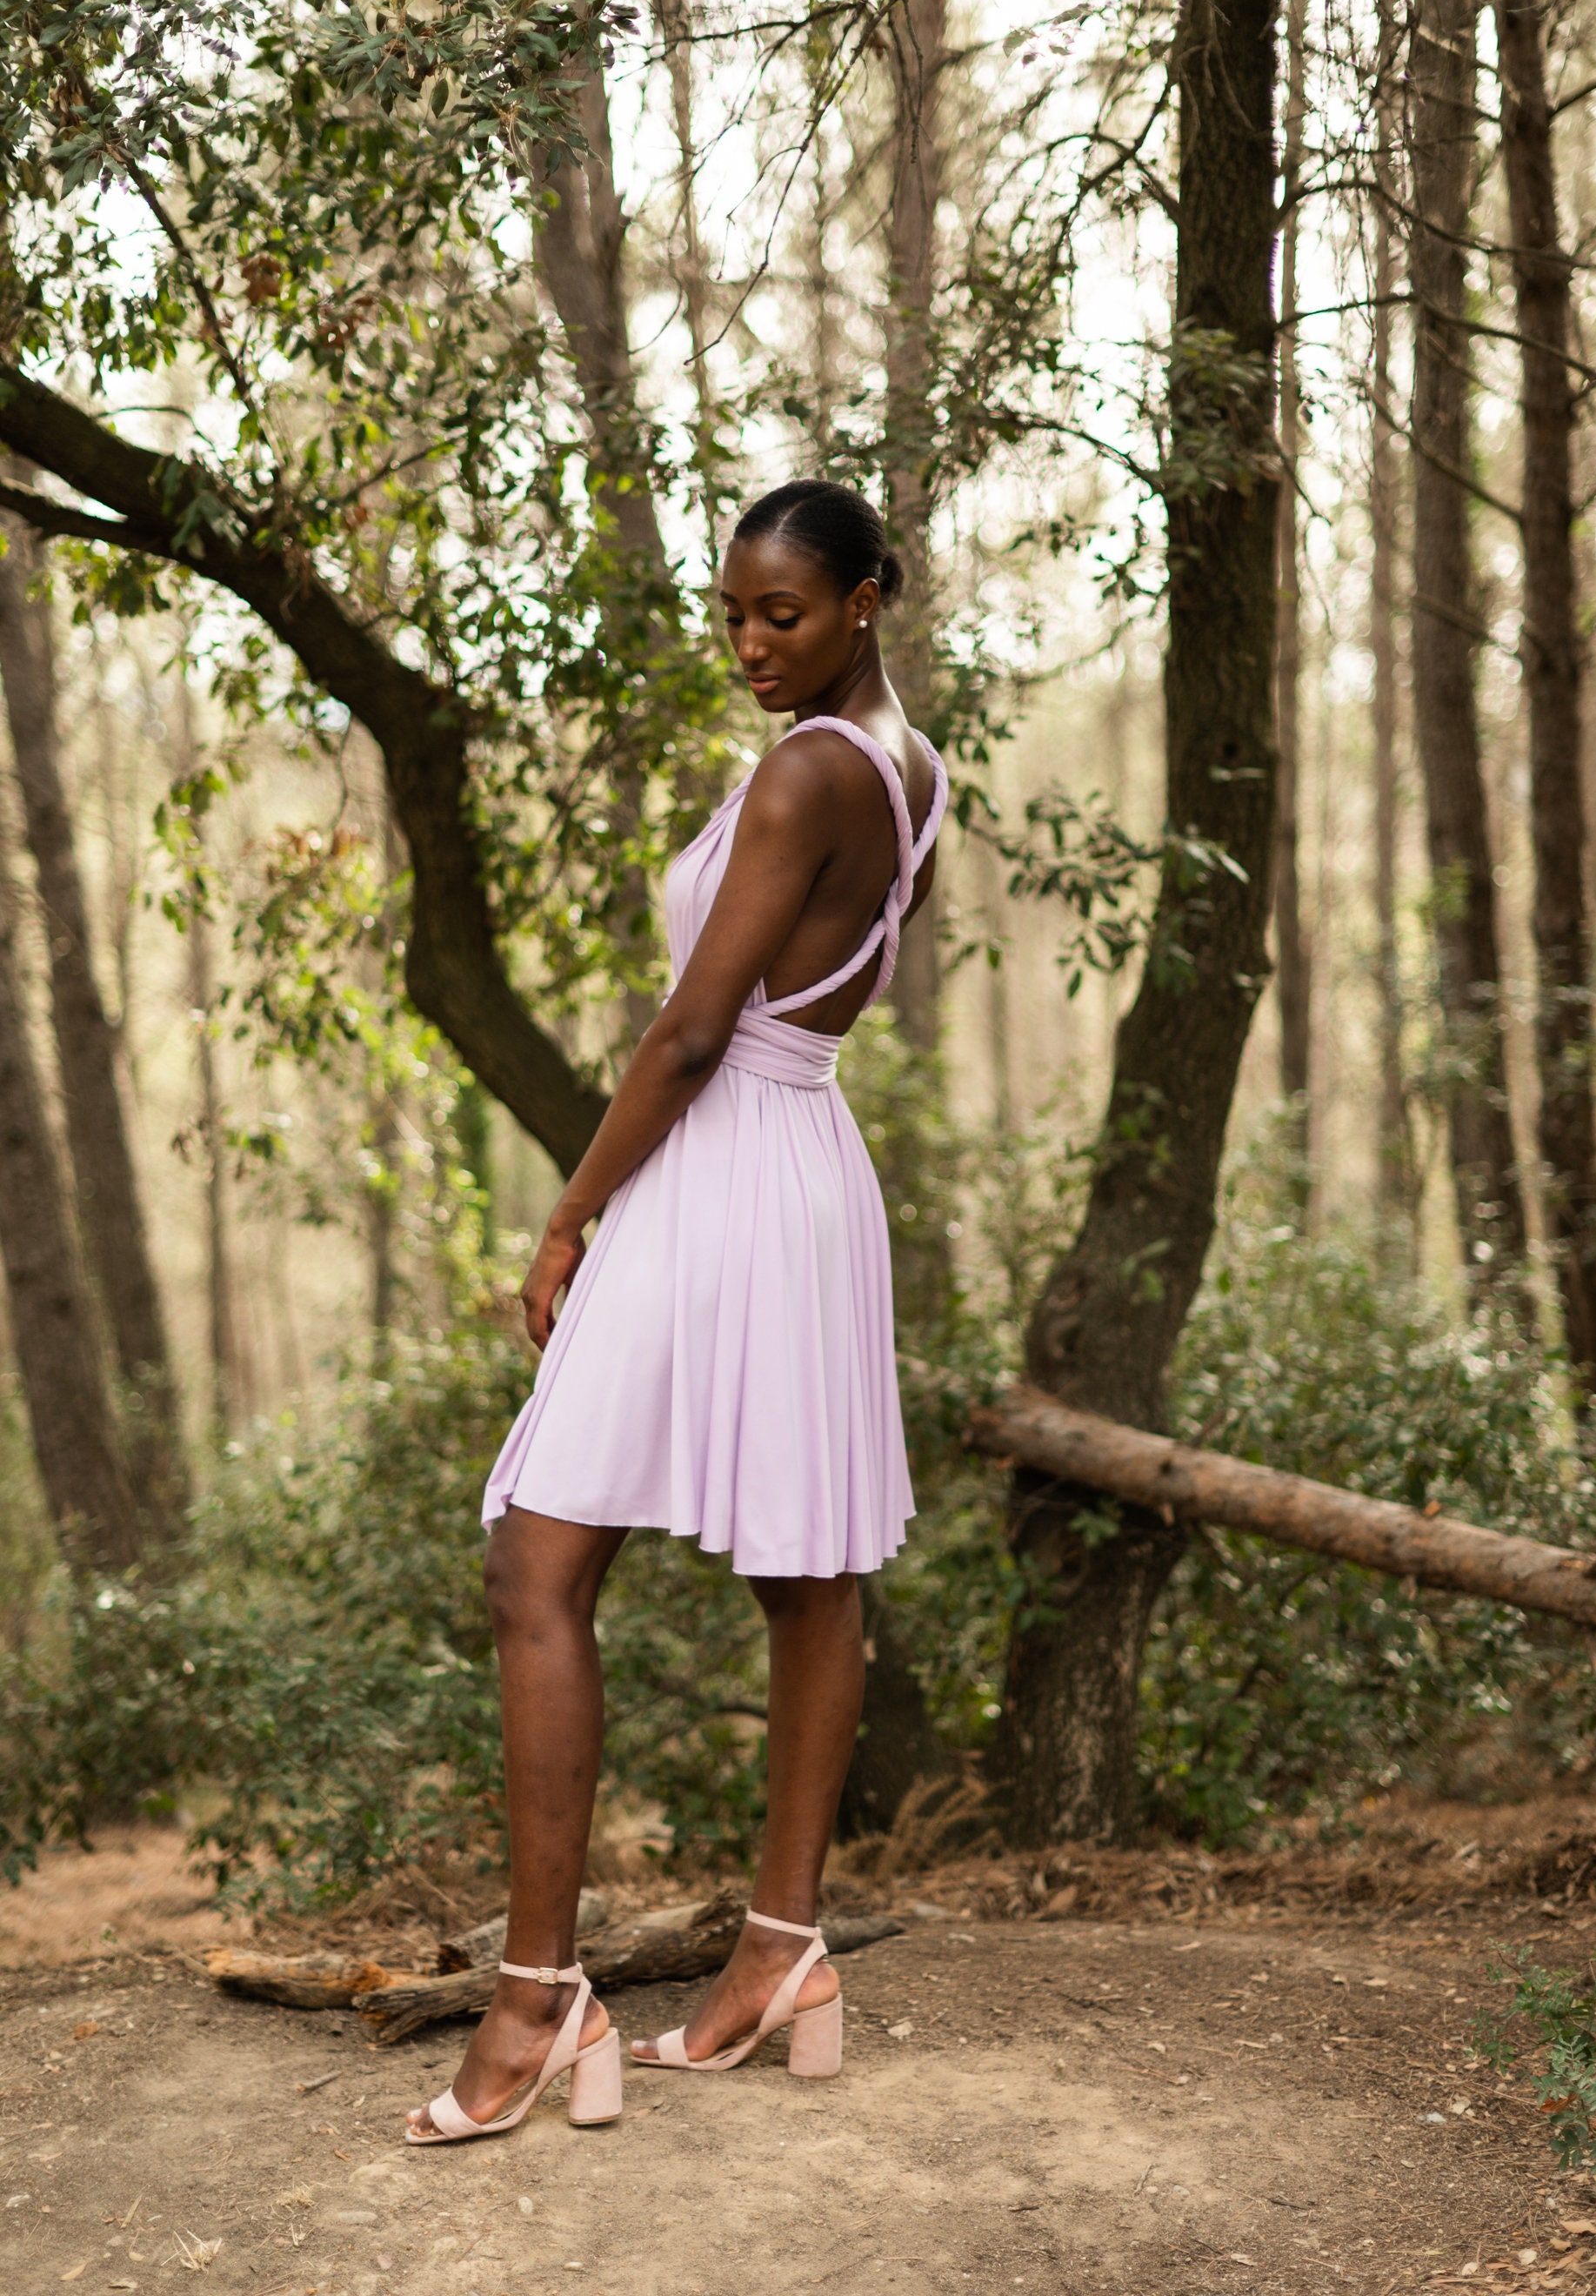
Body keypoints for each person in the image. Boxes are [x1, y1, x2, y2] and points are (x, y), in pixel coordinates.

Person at [407, 479, 948, 2145]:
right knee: (806, 1571)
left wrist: (574, 1211)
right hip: (806, 1170)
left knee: (538, 1559)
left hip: (725, 1165)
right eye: (732, 617)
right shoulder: (914, 768)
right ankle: (782, 1951)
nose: (748, 646)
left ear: (865, 597)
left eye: (780, 614)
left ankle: (536, 1996)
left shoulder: (810, 770)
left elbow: (697, 1030)